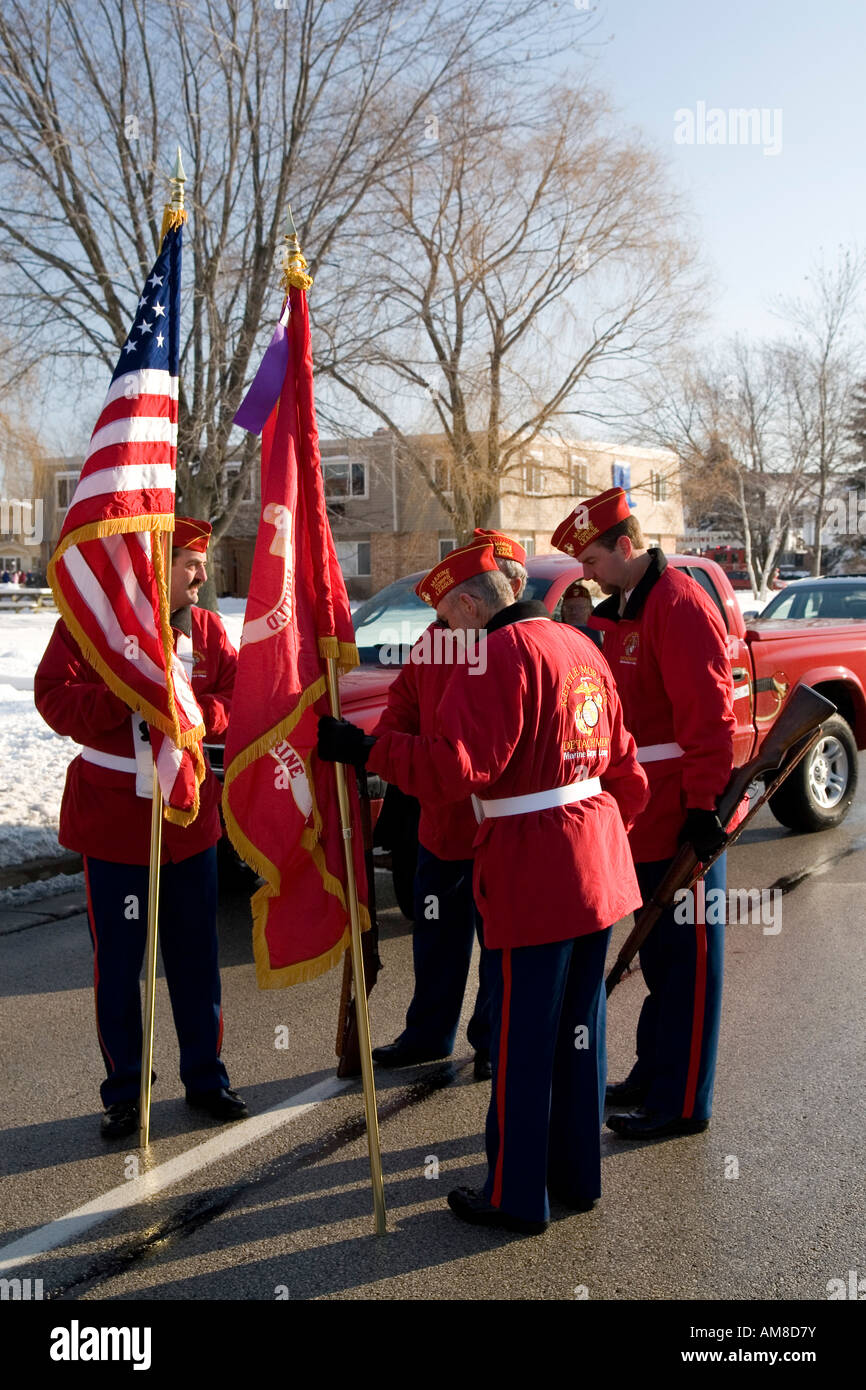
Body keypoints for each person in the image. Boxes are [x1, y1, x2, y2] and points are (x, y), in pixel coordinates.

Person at [319, 539, 648, 1233]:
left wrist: (367, 750)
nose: (446, 635)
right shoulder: (578, 643)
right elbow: (627, 769)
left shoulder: (498, 655)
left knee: (525, 1038)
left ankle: (516, 1195)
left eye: (447, 614)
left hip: (537, 870)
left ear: (470, 603)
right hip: (597, 861)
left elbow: (454, 769)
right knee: (580, 1032)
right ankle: (577, 1174)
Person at [34, 517, 247, 1139]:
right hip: (115, 827)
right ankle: (126, 1089)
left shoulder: (206, 630)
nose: (202, 576)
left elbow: (236, 699)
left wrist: (190, 711)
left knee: (196, 960)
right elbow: (54, 698)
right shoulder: (87, 627)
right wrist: (123, 698)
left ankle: (206, 1078)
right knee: (121, 966)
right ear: (156, 566)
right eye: (189, 564)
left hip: (187, 823)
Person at [551, 487, 735, 1140]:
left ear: (625, 546)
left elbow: (709, 718)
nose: (587, 575)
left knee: (687, 968)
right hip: (639, 819)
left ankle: (683, 1102)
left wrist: (703, 807)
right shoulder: (622, 609)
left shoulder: (679, 604)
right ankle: (655, 1074)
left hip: (682, 819)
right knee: (658, 962)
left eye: (593, 560)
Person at [370, 530, 527, 1082]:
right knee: (436, 936)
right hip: (442, 822)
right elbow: (400, 711)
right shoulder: (433, 645)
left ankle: (491, 1040)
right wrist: (378, 754)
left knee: (499, 948)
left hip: (502, 828)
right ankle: (428, 1034)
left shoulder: (519, 644)